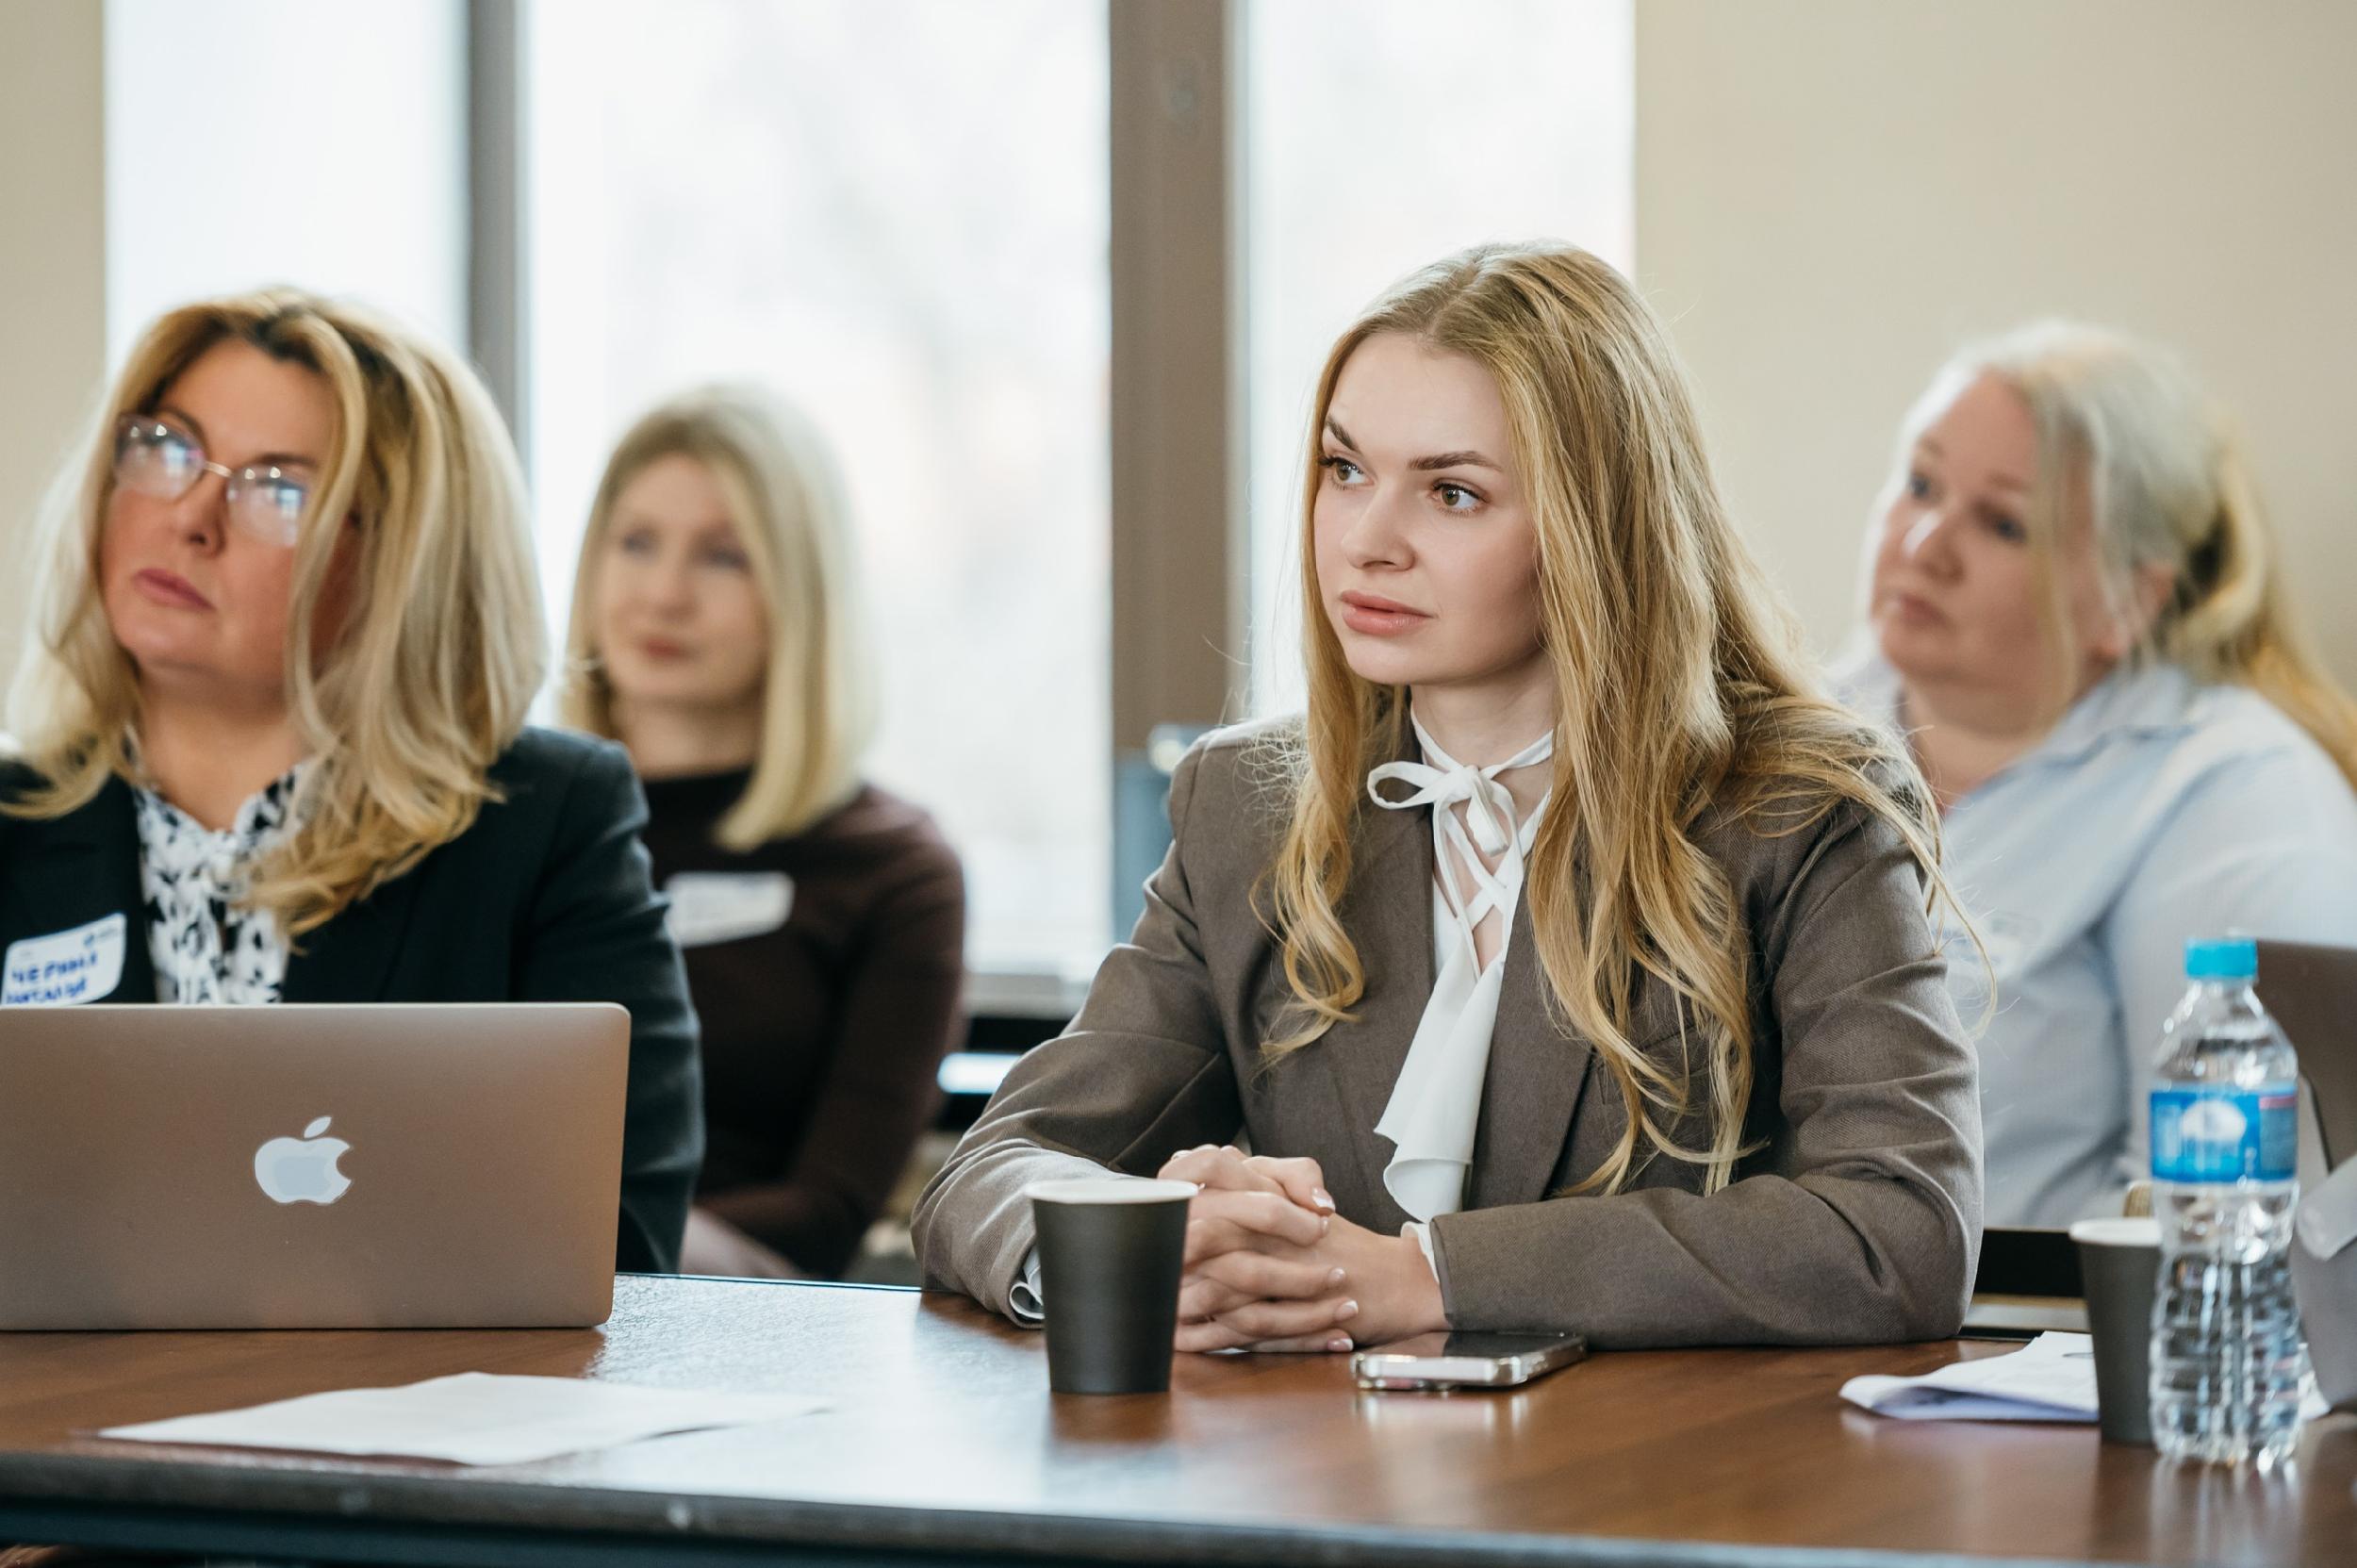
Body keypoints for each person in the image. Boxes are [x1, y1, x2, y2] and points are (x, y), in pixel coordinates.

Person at [914, 243, 1983, 1351]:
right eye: (1343, 470)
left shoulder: (1798, 808)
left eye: (1452, 492)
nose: (1366, 541)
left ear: (1592, 528)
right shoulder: (1243, 808)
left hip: (1660, 1489)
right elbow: (991, 1172)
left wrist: (1425, 1276)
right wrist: (1148, 1254)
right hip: (1328, 1495)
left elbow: (1901, 1230)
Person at [0, 288, 702, 1273]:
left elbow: (617, 1248)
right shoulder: (13, 824)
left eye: (279, 490)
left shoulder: (544, 827)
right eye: (167, 448)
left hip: (411, 1419)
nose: (191, 517)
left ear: (404, 567)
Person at [1837, 322, 2357, 1227]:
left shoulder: (2235, 793)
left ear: (2126, 599)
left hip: (2032, 1344)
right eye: (1919, 484)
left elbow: (2228, 1214)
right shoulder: (1797, 722)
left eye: (2002, 523)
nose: (1925, 545)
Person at [563, 386, 964, 1279]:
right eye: (636, 543)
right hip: (470, 1302)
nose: (663, 594)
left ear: (800, 593)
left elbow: (824, 1213)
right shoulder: (505, 826)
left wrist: (570, 1239)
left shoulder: (895, 870)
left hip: (726, 1319)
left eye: (724, 557)